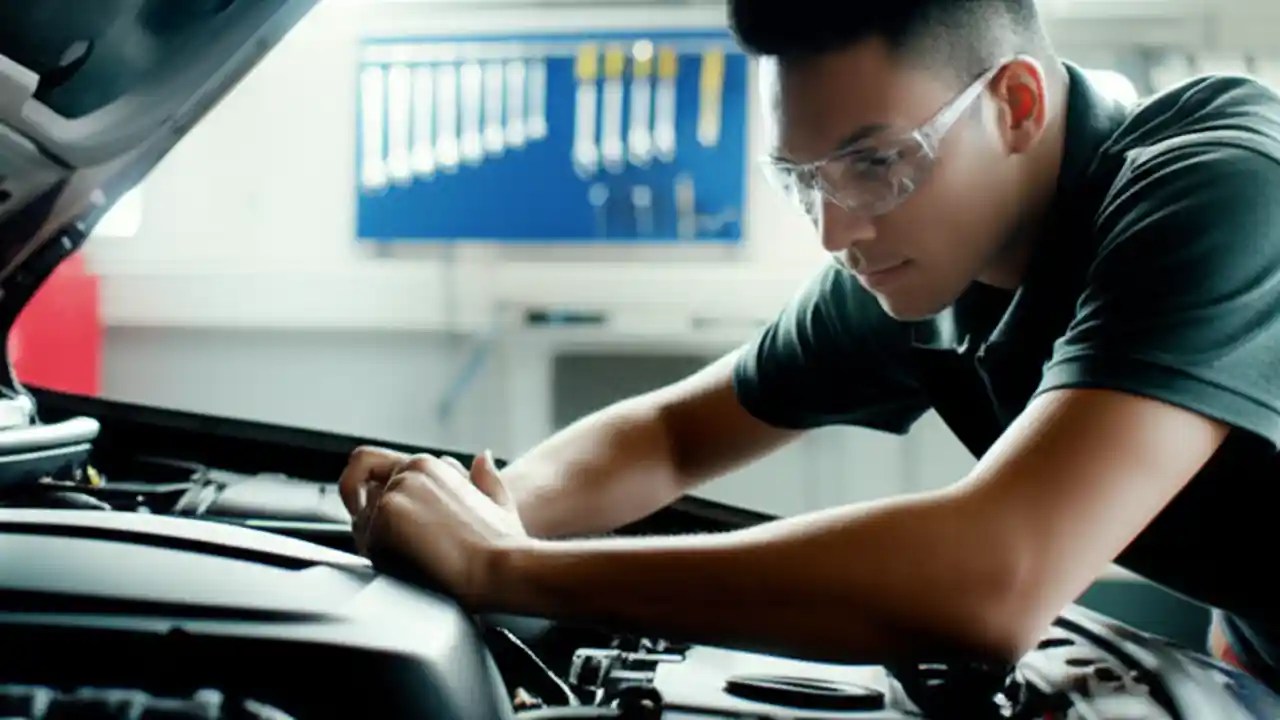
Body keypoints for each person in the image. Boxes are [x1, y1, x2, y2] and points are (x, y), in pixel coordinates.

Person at [340, 0, 1280, 689]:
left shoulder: (1220, 189)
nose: (836, 232)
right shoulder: (926, 259)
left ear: (1019, 105)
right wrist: (482, 510)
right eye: (805, 178)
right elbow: (672, 436)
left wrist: (510, 568)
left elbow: (998, 573)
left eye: (876, 163)